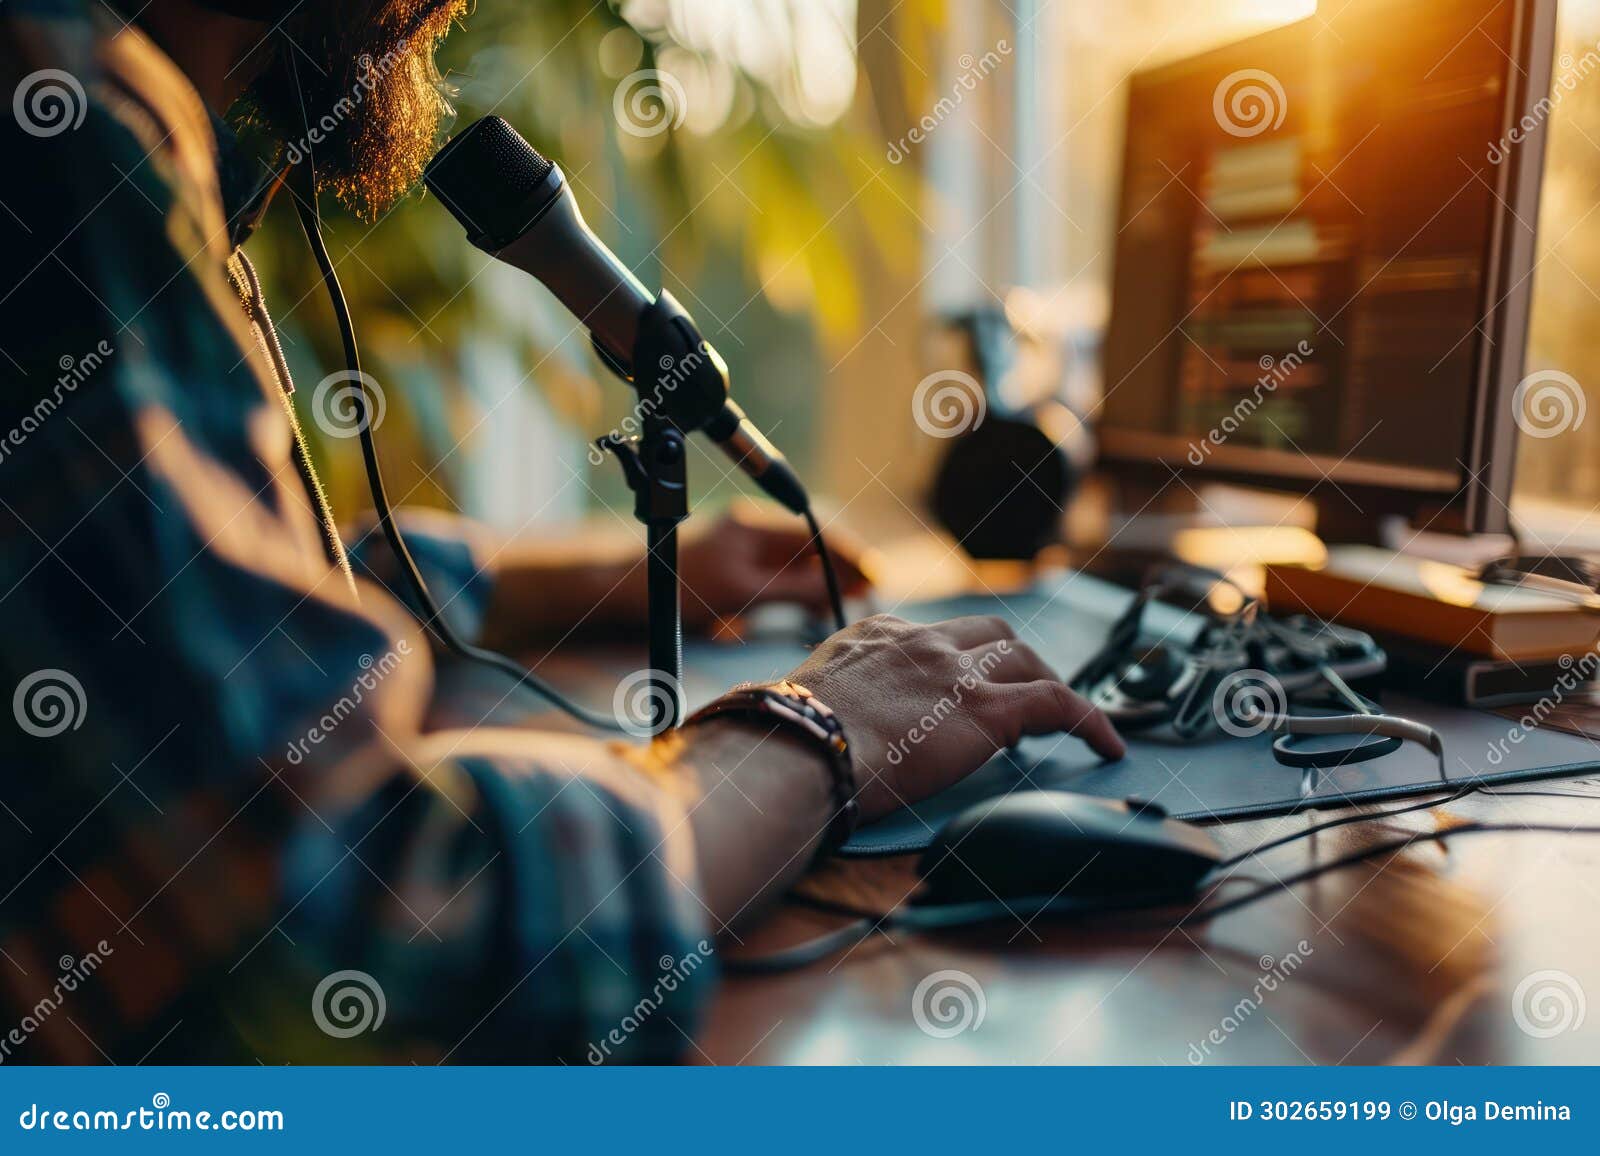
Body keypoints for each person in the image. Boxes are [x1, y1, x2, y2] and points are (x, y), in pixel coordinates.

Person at [0, 0, 1123, 1063]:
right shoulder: (55, 119)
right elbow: (338, 941)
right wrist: (810, 731)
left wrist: (586, 577)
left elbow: (174, 616)